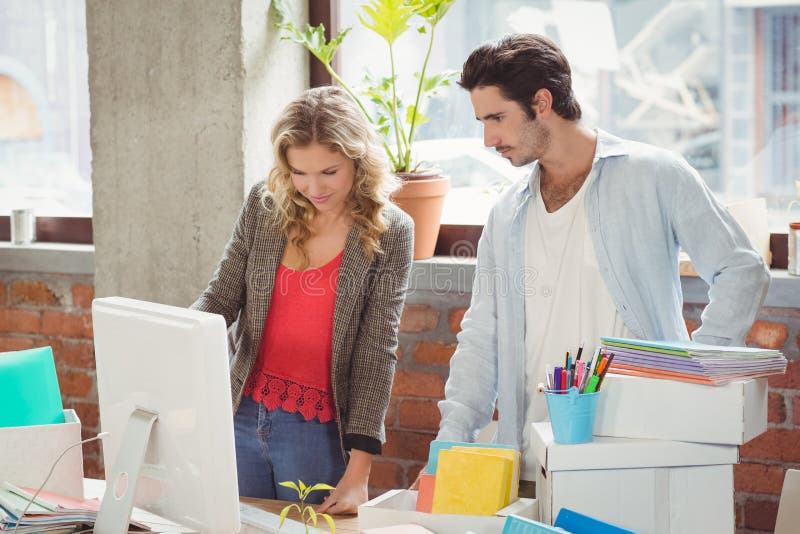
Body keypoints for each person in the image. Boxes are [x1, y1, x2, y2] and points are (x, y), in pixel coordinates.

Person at [432, 34, 770, 485]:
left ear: (542, 101)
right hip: (534, 458)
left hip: (639, 452)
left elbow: (741, 268)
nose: (488, 137)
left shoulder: (653, 174)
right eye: (482, 121)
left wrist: (694, 371)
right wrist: (449, 445)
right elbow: (482, 335)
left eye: (497, 117)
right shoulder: (507, 212)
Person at [193, 86, 414, 513]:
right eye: (299, 172)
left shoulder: (392, 230)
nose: (314, 187)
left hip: (317, 429)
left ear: (358, 159)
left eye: (329, 171)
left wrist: (360, 471)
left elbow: (376, 350)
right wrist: (172, 339)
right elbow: (219, 300)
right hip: (239, 413)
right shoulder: (264, 206)